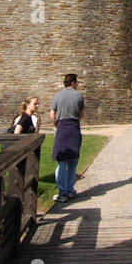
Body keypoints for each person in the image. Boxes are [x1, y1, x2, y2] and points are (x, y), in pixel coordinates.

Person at [50, 72, 85, 201]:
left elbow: (52, 115)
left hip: (62, 128)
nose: (77, 84)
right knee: (73, 161)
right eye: (77, 82)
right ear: (73, 83)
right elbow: (81, 115)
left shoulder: (58, 96)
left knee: (62, 161)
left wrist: (56, 125)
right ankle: (70, 189)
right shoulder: (78, 96)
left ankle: (62, 193)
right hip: (74, 128)